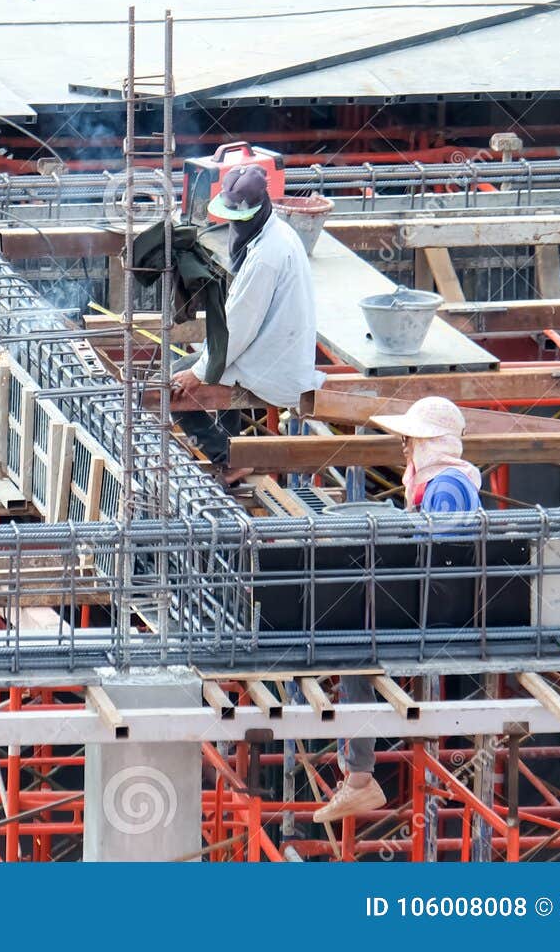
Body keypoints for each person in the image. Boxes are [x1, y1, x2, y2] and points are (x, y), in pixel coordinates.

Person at [314, 395, 483, 824]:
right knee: (349, 631)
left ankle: (359, 779)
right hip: (432, 600)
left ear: (430, 442)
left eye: (410, 440)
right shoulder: (443, 481)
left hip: (439, 610)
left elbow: (438, 556)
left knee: (353, 649)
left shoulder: (446, 486)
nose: (404, 448)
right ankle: (356, 774)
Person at [169, 165, 325, 480]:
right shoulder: (278, 232)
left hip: (272, 364)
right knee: (211, 367)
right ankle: (233, 447)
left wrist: (197, 373)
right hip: (275, 349)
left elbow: (238, 328)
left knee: (175, 388)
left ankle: (228, 458)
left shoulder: (266, 257)